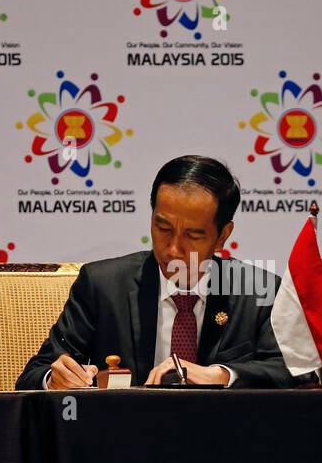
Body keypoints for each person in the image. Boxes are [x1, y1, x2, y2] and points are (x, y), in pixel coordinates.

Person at [17, 155, 296, 389]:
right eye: (163, 228)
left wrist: (221, 374)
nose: (173, 249)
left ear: (223, 235)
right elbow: (32, 376)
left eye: (193, 235)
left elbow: (298, 374)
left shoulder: (257, 290)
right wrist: (55, 380)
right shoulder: (103, 286)